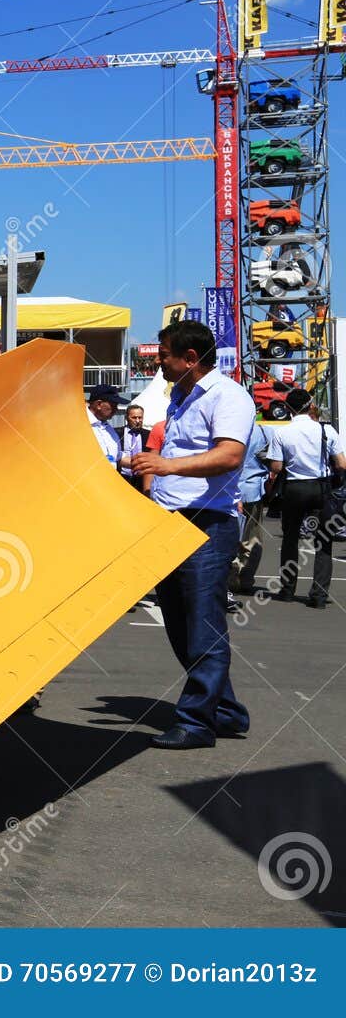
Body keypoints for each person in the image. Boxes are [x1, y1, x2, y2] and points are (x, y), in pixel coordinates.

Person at [129, 320, 253, 750]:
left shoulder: (229, 396)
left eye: (163, 354)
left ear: (190, 359)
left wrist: (167, 466)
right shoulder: (180, 396)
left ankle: (197, 722)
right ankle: (227, 712)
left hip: (207, 524)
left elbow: (230, 455)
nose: (157, 360)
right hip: (172, 521)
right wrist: (152, 466)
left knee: (203, 627)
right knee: (181, 627)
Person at [266, 390, 345, 608]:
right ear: (310, 405)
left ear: (289, 408)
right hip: (321, 487)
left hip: (294, 487)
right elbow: (341, 464)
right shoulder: (326, 429)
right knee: (324, 542)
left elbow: (276, 467)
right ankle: (318, 596)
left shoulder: (283, 433)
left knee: (290, 538)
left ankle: (288, 589)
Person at [228, 416, 272, 598]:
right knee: (252, 538)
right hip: (254, 488)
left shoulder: (228, 430)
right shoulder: (265, 431)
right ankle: (245, 578)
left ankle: (230, 578)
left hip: (227, 489)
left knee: (229, 536)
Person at [86, 384, 126, 463]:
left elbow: (117, 456)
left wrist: (140, 463)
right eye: (113, 405)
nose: (116, 409)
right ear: (99, 405)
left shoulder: (109, 429)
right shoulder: (79, 424)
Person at [118, 404, 151, 492]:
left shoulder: (149, 435)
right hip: (122, 478)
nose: (137, 420)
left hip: (141, 480)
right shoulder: (117, 433)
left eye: (140, 418)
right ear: (127, 418)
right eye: (134, 417)